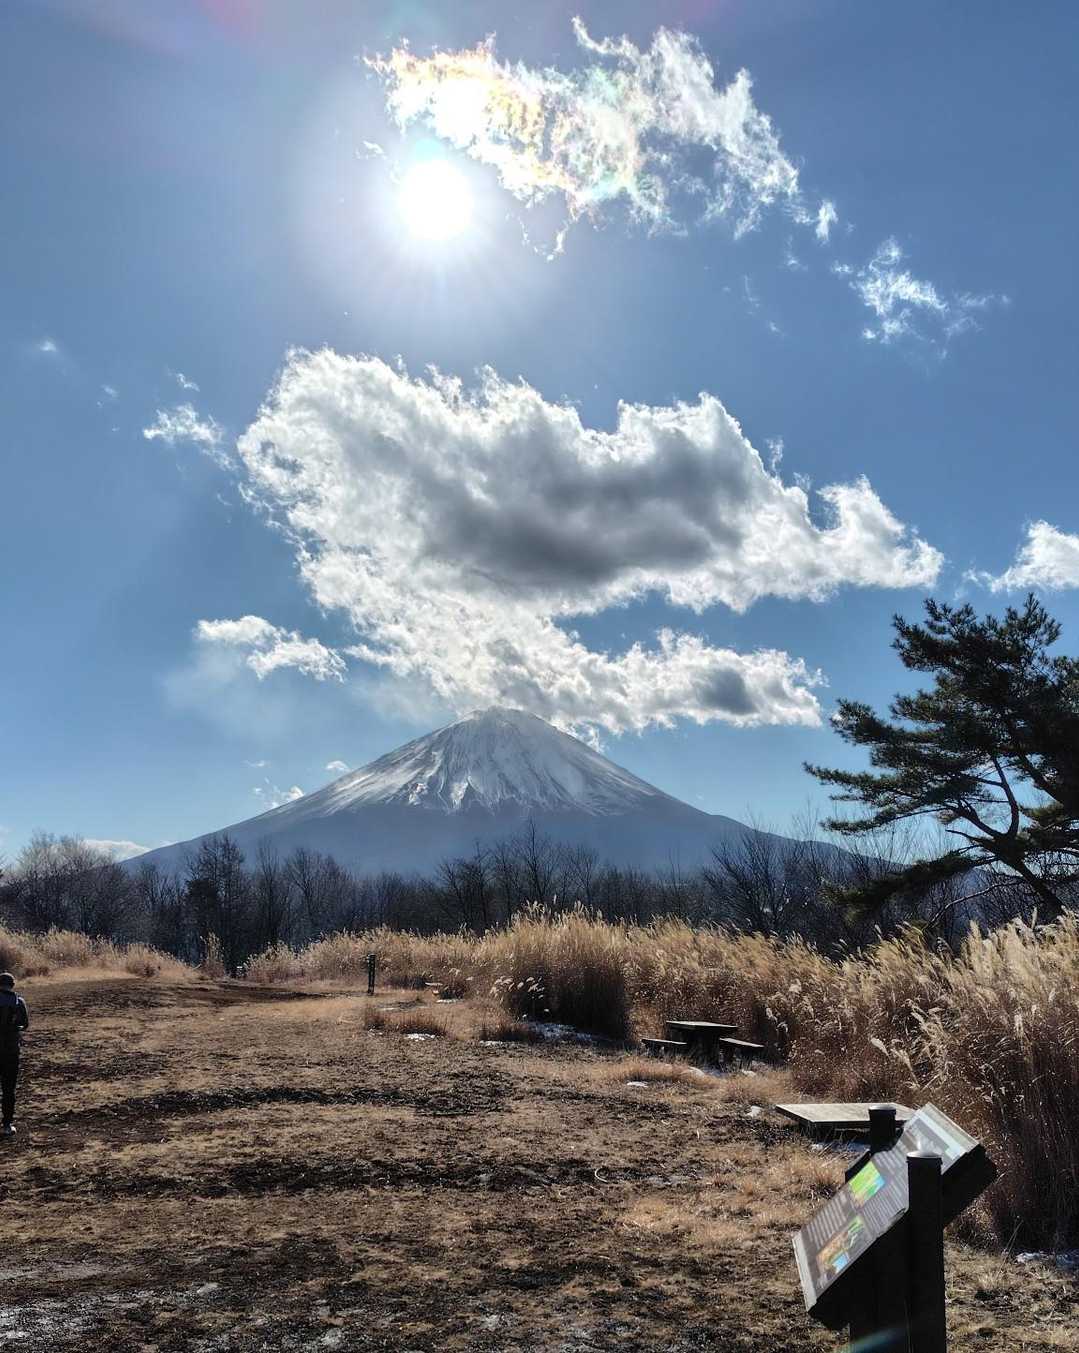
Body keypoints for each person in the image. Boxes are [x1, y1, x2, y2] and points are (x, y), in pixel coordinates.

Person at [0, 972, 29, 1136]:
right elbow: (25, 1024)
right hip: (11, 1051)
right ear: (12, 985)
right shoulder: (18, 1001)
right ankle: (7, 1124)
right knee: (9, 1089)